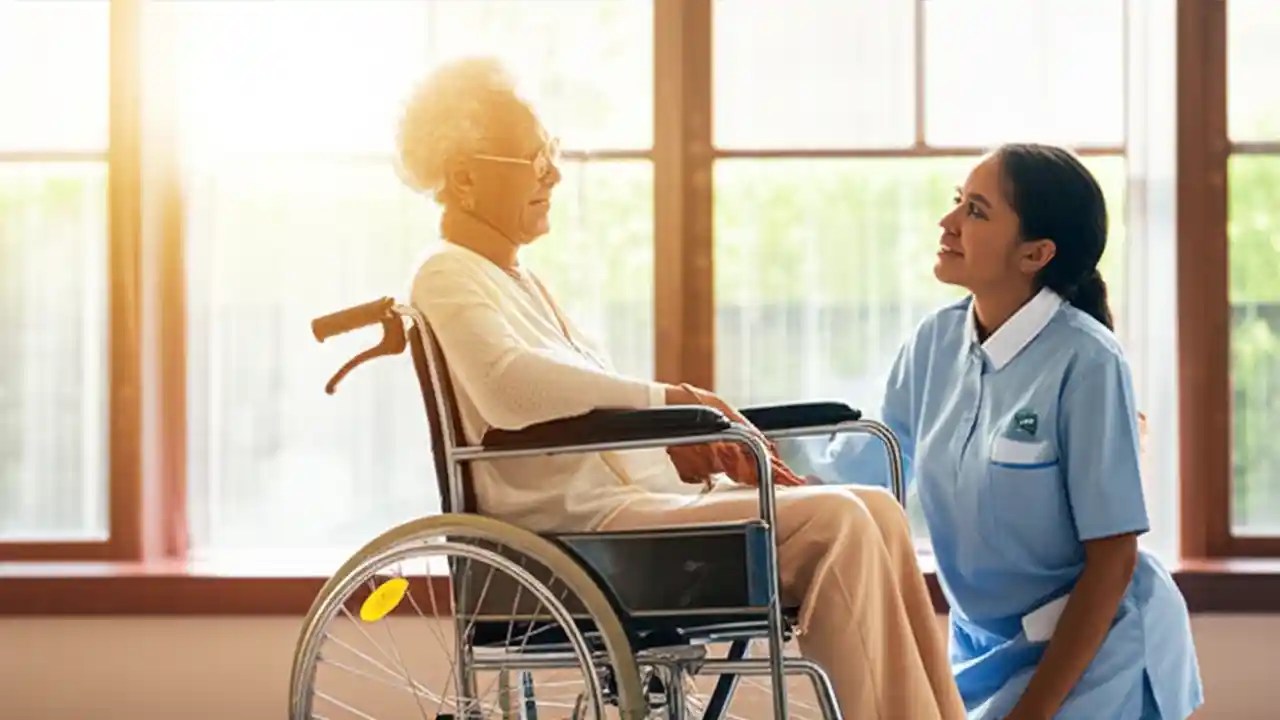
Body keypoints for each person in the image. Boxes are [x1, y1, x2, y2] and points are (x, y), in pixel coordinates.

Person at [396, 56, 967, 720]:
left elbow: (581, 411)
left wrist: (678, 444)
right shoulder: (446, 273)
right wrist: (674, 402)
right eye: (534, 158)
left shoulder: (519, 281)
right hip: (577, 536)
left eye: (553, 152)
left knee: (879, 511)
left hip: (635, 509)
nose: (553, 174)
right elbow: (510, 390)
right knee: (841, 522)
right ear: (465, 177)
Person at [795, 144, 1203, 719]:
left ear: (1035, 253)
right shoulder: (932, 346)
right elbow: (861, 477)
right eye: (958, 201)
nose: (949, 222)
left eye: (976, 211)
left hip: (1097, 651)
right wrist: (748, 460)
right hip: (986, 655)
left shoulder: (1087, 361)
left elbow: (1113, 561)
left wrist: (1031, 712)